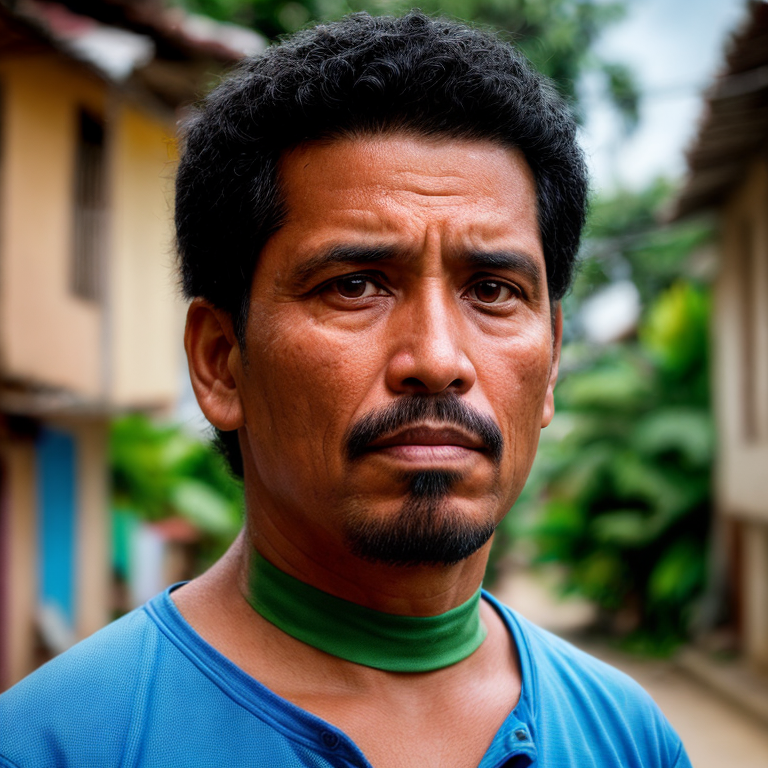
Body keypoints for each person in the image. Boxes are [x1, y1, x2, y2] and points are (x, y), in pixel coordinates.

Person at [0, 11, 692, 768]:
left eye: (492, 289)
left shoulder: (628, 739)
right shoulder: (57, 745)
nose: (436, 358)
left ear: (552, 361)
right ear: (221, 361)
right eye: (355, 285)